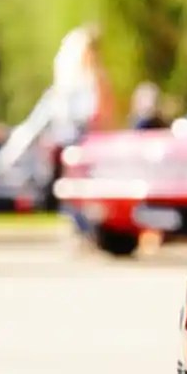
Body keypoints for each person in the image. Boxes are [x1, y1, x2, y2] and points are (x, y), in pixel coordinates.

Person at [49, 25, 116, 235]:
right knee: (77, 184)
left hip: (83, 136)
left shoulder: (80, 79)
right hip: (78, 136)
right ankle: (81, 225)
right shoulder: (78, 81)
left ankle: (85, 225)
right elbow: (89, 112)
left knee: (84, 185)